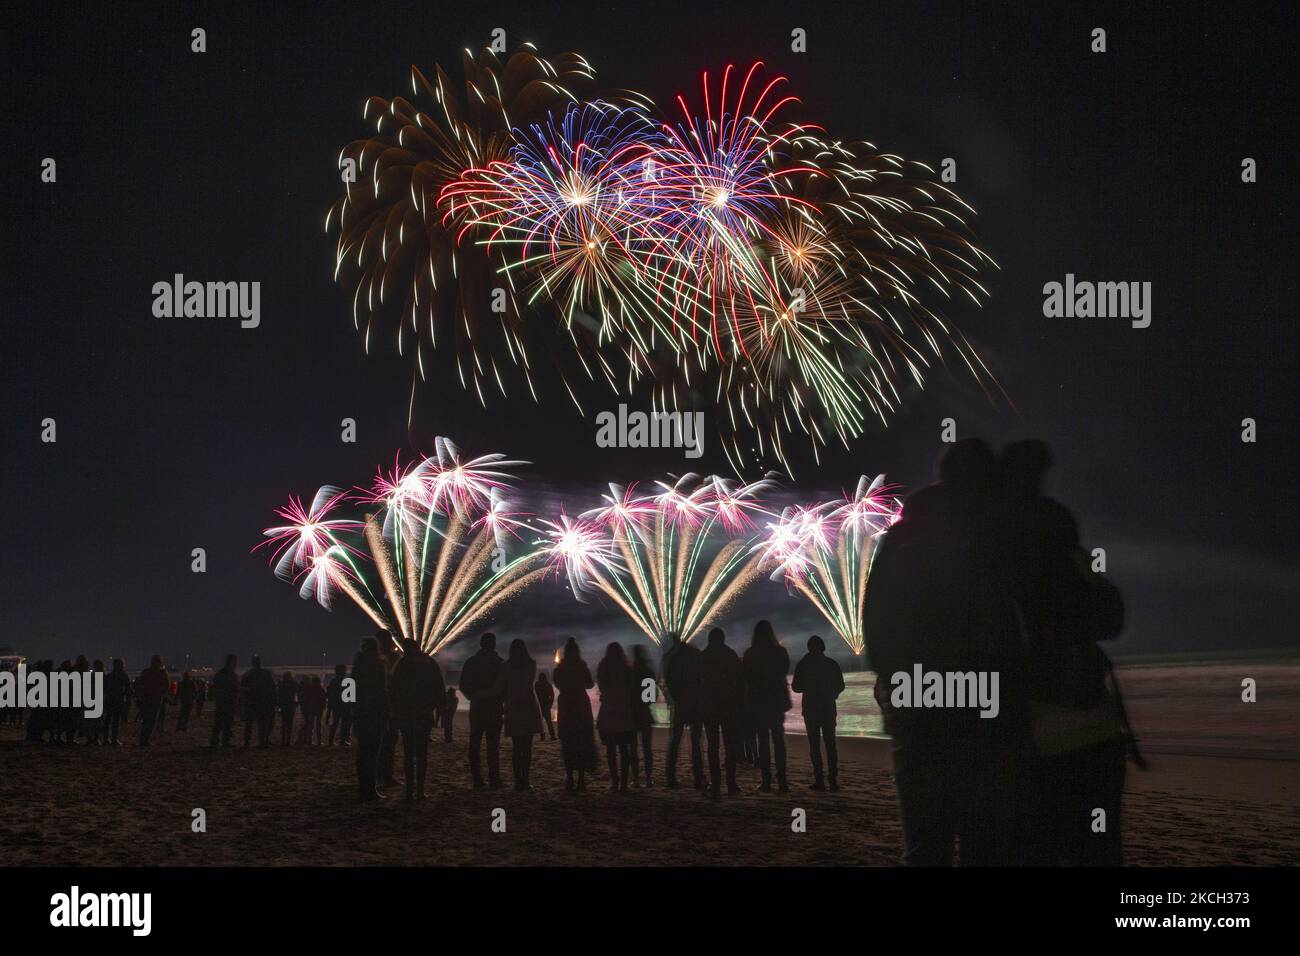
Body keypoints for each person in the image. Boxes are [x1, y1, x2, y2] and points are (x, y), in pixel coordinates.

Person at [864, 438, 1031, 866]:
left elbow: (877, 630)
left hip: (919, 709)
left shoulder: (903, 537)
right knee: (987, 846)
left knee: (925, 846)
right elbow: (1016, 627)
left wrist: (900, 691)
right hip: (986, 712)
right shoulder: (997, 536)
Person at [999, 440, 1131, 866]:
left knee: (1038, 849)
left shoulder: (989, 548)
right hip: (1095, 728)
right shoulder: (1060, 536)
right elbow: (1111, 616)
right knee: (1097, 849)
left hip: (1030, 738)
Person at [390, 638, 446, 802]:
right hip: (424, 713)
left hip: (406, 714)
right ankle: (420, 790)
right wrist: (438, 706)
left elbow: (393, 689)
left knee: (408, 754)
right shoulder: (429, 663)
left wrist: (395, 710)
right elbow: (439, 687)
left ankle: (409, 791)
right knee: (422, 754)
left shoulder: (401, 664)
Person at [743, 620, 793, 793]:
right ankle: (782, 780)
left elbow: (746, 678)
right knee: (779, 740)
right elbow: (784, 671)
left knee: (763, 741)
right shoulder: (780, 652)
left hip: (758, 702)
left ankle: (766, 780)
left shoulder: (750, 654)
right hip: (776, 702)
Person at [791, 635, 845, 790]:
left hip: (810, 709)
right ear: (823, 647)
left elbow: (795, 687)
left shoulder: (803, 664)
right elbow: (841, 685)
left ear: (809, 648)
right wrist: (833, 694)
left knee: (814, 745)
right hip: (828, 708)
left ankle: (819, 779)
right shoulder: (831, 663)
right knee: (830, 744)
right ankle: (833, 780)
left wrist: (808, 687)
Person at [697, 628, 743, 797]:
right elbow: (740, 679)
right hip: (728, 706)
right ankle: (731, 783)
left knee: (713, 746)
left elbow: (697, 682)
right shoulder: (730, 655)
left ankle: (715, 783)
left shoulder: (703, 656)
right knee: (730, 746)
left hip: (709, 707)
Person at [459, 632, 505, 790]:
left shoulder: (471, 662)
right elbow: (505, 687)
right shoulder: (499, 663)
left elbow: (463, 685)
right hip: (494, 707)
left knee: (475, 743)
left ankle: (477, 779)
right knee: (493, 745)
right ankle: (494, 778)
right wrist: (498, 698)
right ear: (494, 644)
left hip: (477, 706)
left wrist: (474, 695)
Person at [659, 631, 704, 789]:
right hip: (695, 703)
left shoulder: (672, 658)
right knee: (696, 743)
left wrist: (675, 698)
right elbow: (702, 678)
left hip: (680, 704)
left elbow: (668, 681)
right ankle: (698, 778)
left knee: (675, 741)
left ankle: (670, 777)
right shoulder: (695, 654)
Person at [553, 637, 598, 791]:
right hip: (581, 704)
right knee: (581, 741)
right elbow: (590, 684)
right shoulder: (582, 667)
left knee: (568, 743)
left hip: (566, 705)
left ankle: (570, 778)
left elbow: (557, 683)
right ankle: (581, 779)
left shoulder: (560, 668)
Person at [499, 639, 542, 792]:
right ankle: (526, 779)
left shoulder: (505, 666)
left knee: (517, 747)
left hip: (513, 706)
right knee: (527, 747)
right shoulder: (531, 664)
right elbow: (529, 683)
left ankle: (518, 780)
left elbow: (502, 686)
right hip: (529, 705)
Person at [353, 636, 389, 802]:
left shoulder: (357, 665)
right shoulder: (378, 665)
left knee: (362, 752)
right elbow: (382, 692)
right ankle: (370, 788)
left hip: (361, 714)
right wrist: (386, 712)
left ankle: (363, 787)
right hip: (375, 714)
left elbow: (349, 689)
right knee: (373, 753)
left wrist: (351, 709)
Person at [596, 643, 636, 792]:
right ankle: (624, 782)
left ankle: (614, 780)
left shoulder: (603, 668)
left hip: (608, 711)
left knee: (611, 749)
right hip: (624, 711)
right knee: (624, 749)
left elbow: (601, 687)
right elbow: (631, 689)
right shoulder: (626, 668)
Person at [628, 645, 657, 788]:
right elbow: (651, 697)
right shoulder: (648, 671)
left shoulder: (630, 671)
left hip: (632, 713)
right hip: (644, 712)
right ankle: (648, 777)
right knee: (647, 747)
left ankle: (636, 778)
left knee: (632, 748)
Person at [240, 656, 277, 748]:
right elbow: (272, 688)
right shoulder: (263, 674)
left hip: (258, 702)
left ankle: (255, 741)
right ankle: (258, 741)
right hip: (258, 702)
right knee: (259, 723)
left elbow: (272, 688)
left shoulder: (250, 674)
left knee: (258, 723)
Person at [135, 656, 170, 747]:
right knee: (151, 720)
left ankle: (143, 739)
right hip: (155, 699)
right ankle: (146, 739)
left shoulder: (146, 672)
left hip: (147, 699)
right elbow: (166, 685)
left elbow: (140, 685)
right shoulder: (161, 673)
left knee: (147, 720)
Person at [209, 655, 238, 748]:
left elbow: (216, 686)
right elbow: (234, 687)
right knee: (226, 722)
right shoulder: (230, 674)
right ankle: (224, 741)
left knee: (220, 722)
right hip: (227, 701)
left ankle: (215, 741)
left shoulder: (221, 673)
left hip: (222, 701)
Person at [104, 658, 131, 746]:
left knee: (108, 720)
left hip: (109, 700)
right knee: (115, 721)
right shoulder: (124, 676)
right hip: (118, 700)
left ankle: (106, 738)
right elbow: (128, 689)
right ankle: (114, 739)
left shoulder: (109, 676)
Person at [327, 663, 352, 746]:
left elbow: (330, 694)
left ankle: (331, 741)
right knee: (344, 723)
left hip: (336, 705)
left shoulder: (333, 681)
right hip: (344, 705)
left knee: (336, 723)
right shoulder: (346, 681)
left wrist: (330, 707)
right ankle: (342, 740)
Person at [300, 675, 327, 746]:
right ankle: (319, 741)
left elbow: (306, 699)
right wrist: (323, 706)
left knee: (310, 725)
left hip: (311, 708)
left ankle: (309, 740)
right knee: (318, 725)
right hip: (318, 709)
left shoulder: (310, 689)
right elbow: (324, 699)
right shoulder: (321, 689)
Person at [277, 672, 299, 746]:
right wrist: (296, 704)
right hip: (290, 706)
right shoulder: (293, 684)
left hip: (284, 706)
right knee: (289, 724)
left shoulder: (282, 685)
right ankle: (287, 741)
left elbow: (279, 696)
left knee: (284, 724)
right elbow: (297, 692)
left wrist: (279, 707)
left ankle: (283, 741)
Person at [534, 671, 556, 741]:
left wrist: (550, 704)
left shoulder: (537, 684)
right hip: (544, 705)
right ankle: (551, 736)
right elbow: (552, 695)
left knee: (543, 722)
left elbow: (551, 695)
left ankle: (544, 736)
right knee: (548, 722)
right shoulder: (547, 685)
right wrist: (550, 704)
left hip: (542, 705)